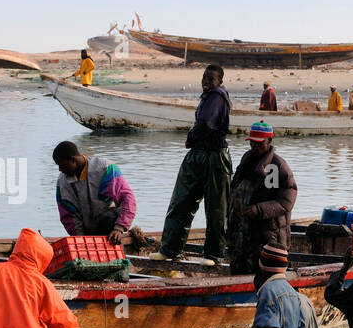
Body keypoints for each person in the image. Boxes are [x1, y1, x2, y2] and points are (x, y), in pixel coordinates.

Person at [149, 65, 232, 261]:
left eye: (211, 79)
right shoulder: (207, 97)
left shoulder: (217, 96)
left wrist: (191, 138)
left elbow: (205, 123)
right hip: (198, 154)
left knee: (216, 208)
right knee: (181, 202)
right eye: (204, 77)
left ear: (219, 82)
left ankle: (213, 254)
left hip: (215, 156)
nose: (206, 81)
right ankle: (170, 249)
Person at [227, 121, 297, 275]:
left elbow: (286, 202)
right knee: (239, 269)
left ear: (269, 141)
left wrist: (259, 209)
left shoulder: (278, 166)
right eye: (252, 142)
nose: (255, 146)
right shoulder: (247, 159)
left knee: (262, 274)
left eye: (260, 143)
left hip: (267, 233)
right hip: (242, 232)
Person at [53, 141, 137, 245]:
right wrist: (80, 238)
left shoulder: (105, 168)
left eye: (62, 165)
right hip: (86, 229)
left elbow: (128, 199)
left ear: (73, 160)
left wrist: (119, 228)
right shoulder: (62, 182)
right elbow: (68, 215)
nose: (60, 170)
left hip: (110, 226)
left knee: (107, 218)